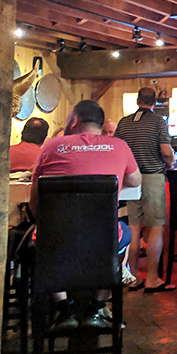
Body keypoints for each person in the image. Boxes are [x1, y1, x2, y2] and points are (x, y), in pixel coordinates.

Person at [29, 100, 141, 328]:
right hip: (103, 240)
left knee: (38, 242)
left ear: (75, 120)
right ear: (101, 124)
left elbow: (35, 204)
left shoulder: (51, 147)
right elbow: (136, 180)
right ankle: (98, 306)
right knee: (124, 236)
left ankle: (63, 306)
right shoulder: (119, 146)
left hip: (57, 239)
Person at [115, 87, 175, 293]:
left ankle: (132, 276)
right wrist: (171, 161)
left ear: (137, 100)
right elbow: (166, 152)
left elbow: (117, 148)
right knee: (156, 227)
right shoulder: (158, 121)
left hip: (130, 180)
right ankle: (151, 278)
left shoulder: (123, 123)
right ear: (155, 102)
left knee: (133, 228)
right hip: (152, 177)